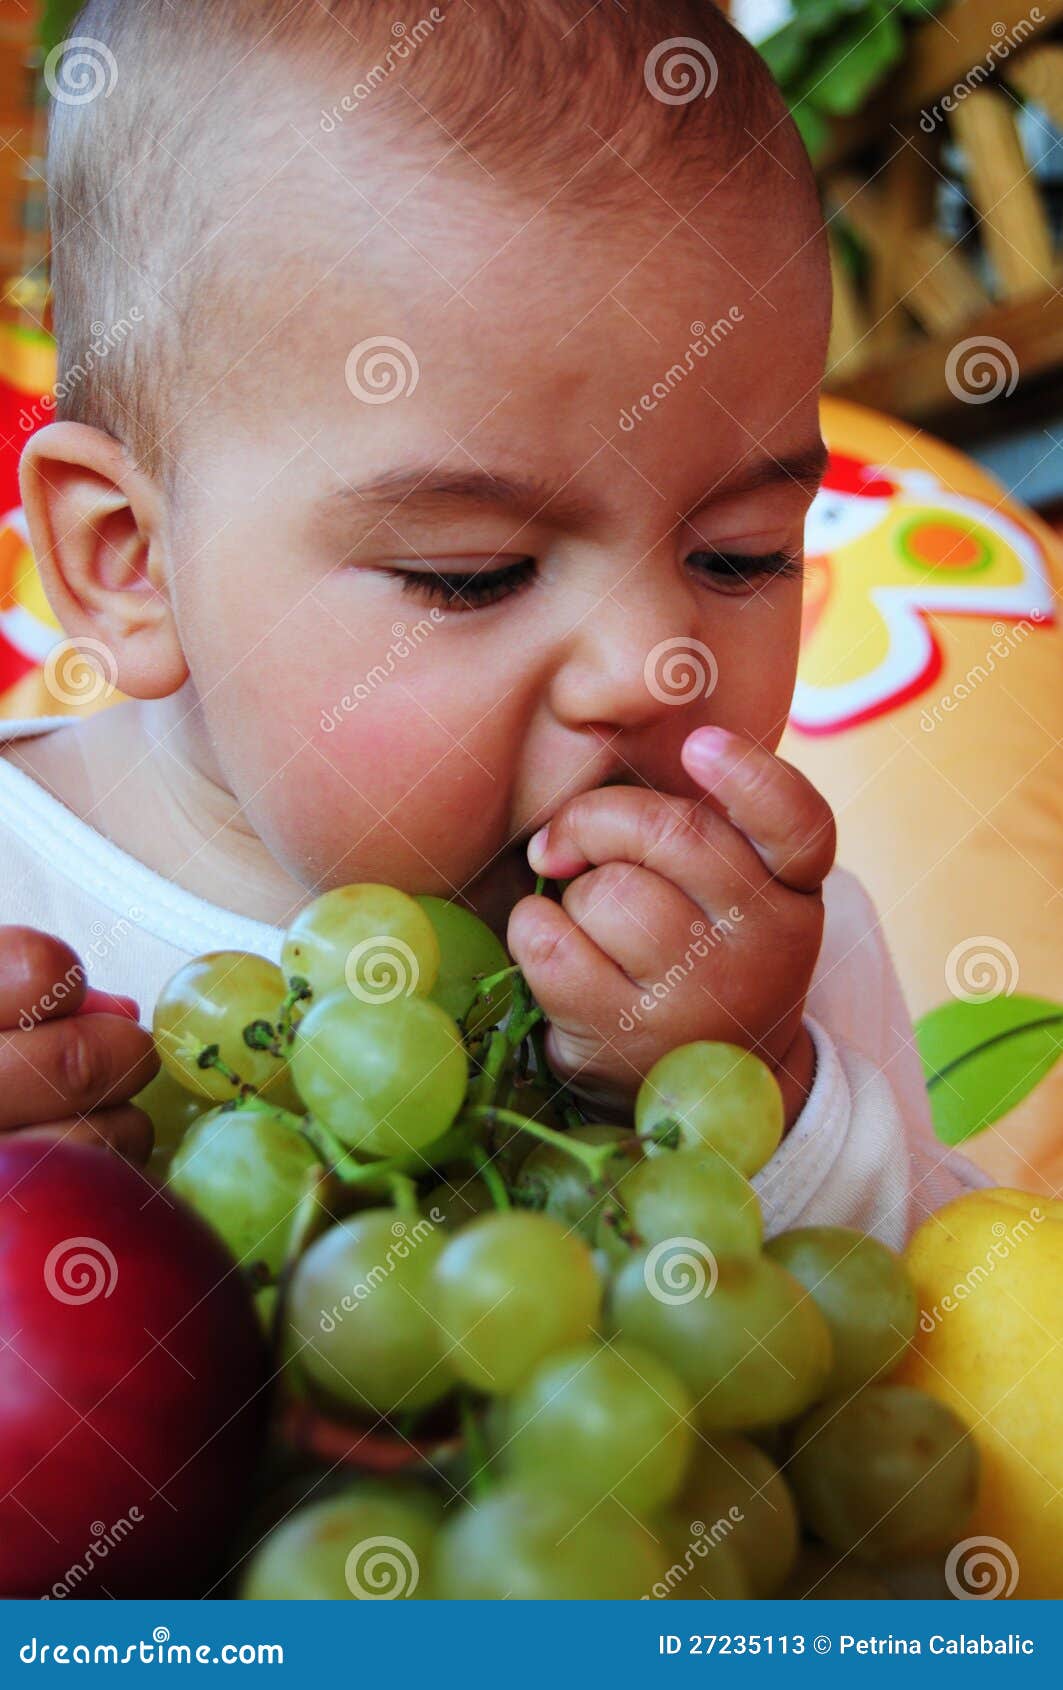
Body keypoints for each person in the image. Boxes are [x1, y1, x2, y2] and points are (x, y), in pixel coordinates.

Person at [0, 0, 981, 1245]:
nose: (654, 665)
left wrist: (768, 1105)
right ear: (131, 562)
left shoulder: (769, 949)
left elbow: (957, 1328)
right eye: (473, 576)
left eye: (739, 555)